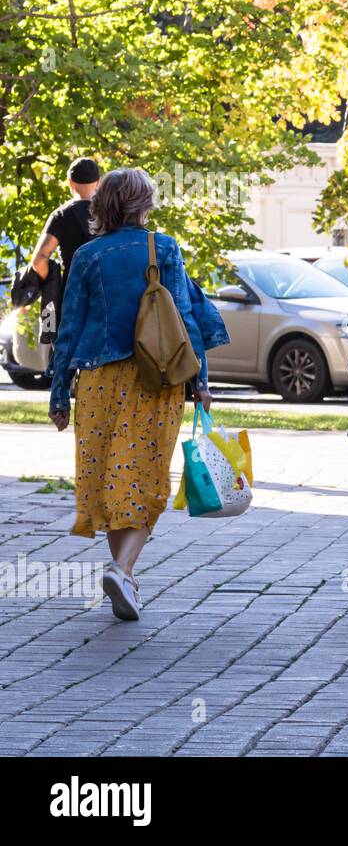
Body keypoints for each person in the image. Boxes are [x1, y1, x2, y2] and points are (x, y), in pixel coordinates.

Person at [47, 168, 216, 622]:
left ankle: (123, 576)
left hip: (98, 383)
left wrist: (59, 394)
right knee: (145, 478)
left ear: (103, 205)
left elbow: (69, 329)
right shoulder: (161, 248)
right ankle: (122, 569)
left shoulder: (85, 255)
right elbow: (183, 318)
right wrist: (199, 380)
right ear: (143, 204)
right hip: (154, 380)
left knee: (109, 478)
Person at [32, 156, 100, 285]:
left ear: (70, 182)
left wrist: (54, 287)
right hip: (108, 296)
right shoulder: (113, 213)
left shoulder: (61, 215)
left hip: (73, 295)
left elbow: (39, 260)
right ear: (98, 182)